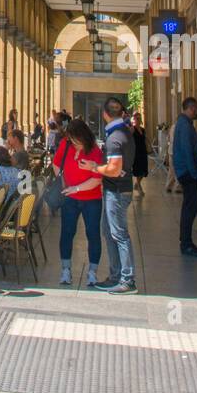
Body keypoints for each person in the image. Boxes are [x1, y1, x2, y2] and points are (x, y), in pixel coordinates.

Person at [79, 96, 137, 293]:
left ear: (105, 114)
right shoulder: (125, 133)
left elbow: (114, 169)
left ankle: (127, 279)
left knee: (119, 234)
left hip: (117, 192)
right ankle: (116, 275)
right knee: (110, 232)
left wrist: (95, 167)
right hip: (118, 190)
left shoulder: (114, 138)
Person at [57, 117, 104, 288]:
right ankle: (66, 270)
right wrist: (63, 181)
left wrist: (76, 188)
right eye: (71, 140)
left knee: (92, 234)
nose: (74, 144)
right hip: (69, 199)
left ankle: (92, 272)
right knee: (67, 232)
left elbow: (97, 180)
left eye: (76, 140)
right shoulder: (65, 144)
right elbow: (56, 165)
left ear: (84, 136)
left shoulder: (95, 151)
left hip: (91, 200)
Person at [172, 96, 197, 257]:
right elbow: (187, 150)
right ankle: (186, 244)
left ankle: (185, 240)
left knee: (189, 208)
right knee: (190, 208)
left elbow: (194, 144)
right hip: (188, 172)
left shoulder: (185, 124)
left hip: (186, 171)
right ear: (191, 109)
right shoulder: (185, 125)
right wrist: (194, 172)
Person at [131, 111, 149, 195]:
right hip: (136, 152)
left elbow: (144, 139)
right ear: (134, 119)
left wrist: (148, 148)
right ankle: (139, 186)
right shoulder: (132, 129)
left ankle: (137, 184)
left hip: (143, 151)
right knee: (138, 170)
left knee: (144, 169)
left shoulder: (142, 129)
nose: (138, 120)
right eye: (136, 118)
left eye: (139, 118)